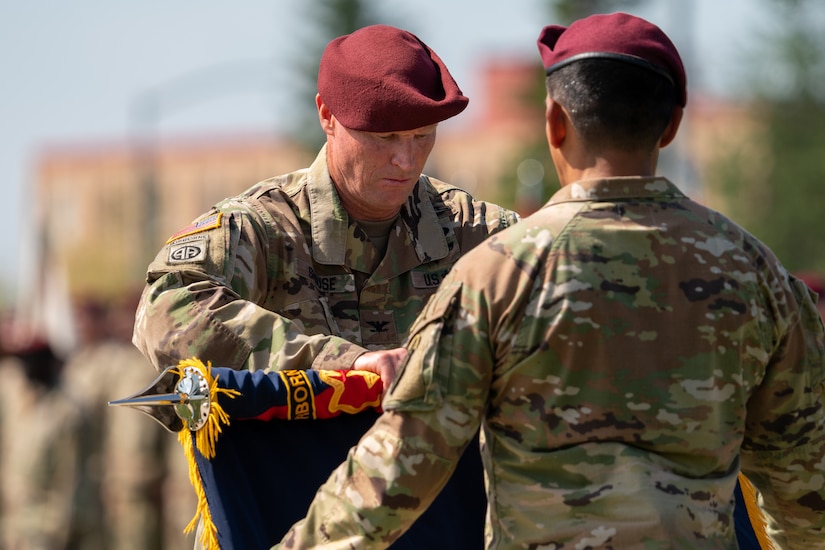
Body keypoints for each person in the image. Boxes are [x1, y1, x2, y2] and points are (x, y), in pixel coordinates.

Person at [274, 12, 825, 549]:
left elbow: (396, 472)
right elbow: (806, 490)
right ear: (672, 125)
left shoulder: (495, 276)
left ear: (555, 124)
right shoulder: (760, 277)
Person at [131, 24, 520, 548]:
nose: (406, 160)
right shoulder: (264, 229)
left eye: (421, 136)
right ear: (327, 116)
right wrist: (339, 364)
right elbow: (166, 308)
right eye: (384, 138)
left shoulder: (474, 232)